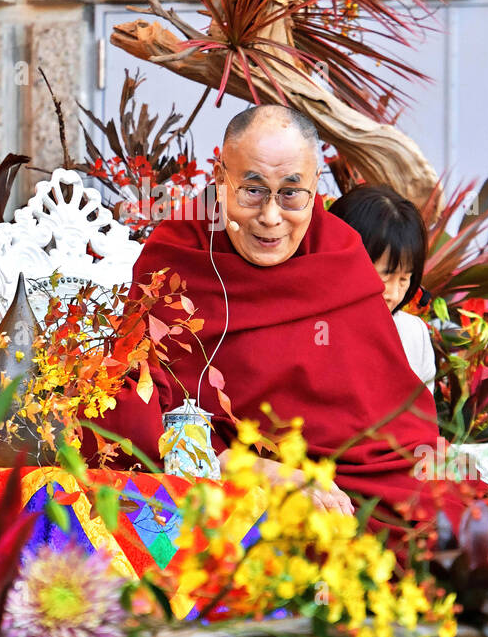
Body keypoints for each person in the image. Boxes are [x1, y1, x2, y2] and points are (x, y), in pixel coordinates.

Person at [100, 104, 447, 525]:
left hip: (351, 484)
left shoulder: (339, 254)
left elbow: (391, 421)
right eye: (252, 190)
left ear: (315, 186)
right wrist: (256, 470)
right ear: (220, 179)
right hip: (230, 490)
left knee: (447, 531)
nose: (270, 217)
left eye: (290, 192)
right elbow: (132, 410)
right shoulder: (177, 256)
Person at [329, 183, 436, 388]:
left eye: (405, 279)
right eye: (385, 278)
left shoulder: (414, 336)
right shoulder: (308, 331)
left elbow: (423, 417)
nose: (394, 295)